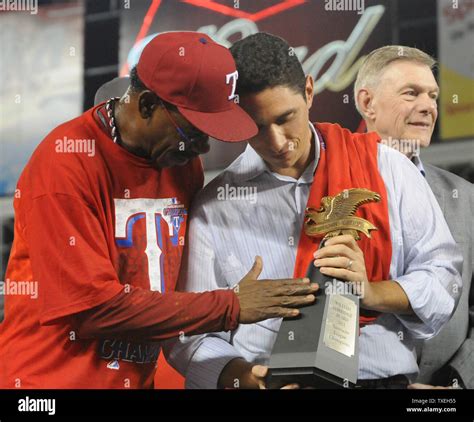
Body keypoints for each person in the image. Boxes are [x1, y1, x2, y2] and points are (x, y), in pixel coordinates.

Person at [0, 32, 318, 389]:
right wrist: (231, 305)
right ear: (148, 105)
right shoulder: (65, 164)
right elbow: (90, 309)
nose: (202, 147)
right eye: (196, 130)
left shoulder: (181, 163)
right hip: (46, 385)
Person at [165, 32, 463, 389]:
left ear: (309, 91)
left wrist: (371, 291)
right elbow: (188, 332)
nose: (277, 142)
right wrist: (241, 376)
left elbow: (444, 278)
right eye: (256, 127)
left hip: (382, 380)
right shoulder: (214, 206)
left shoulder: (389, 168)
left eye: (285, 118)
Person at [353, 45, 473, 389]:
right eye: (412, 93)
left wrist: (455, 384)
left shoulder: (465, 197)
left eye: (433, 96)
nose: (428, 106)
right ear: (366, 103)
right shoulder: (330, 189)